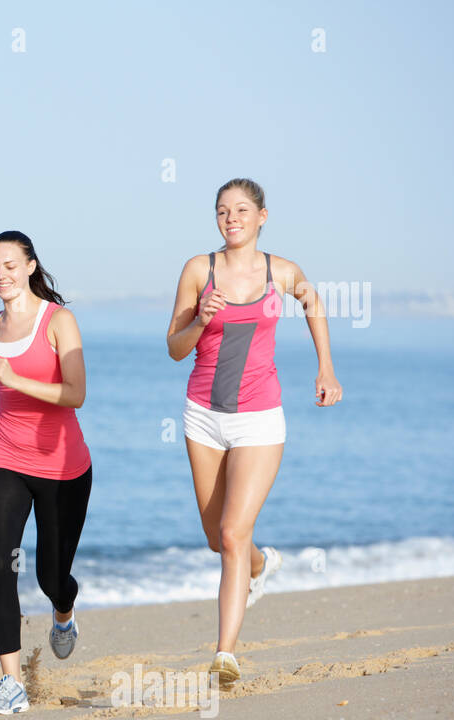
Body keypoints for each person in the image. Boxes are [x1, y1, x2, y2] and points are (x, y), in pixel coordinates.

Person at [165, 178, 342, 685]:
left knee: (231, 532)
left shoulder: (281, 272)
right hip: (203, 415)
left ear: (262, 216)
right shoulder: (199, 270)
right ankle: (260, 567)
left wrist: (325, 368)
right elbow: (175, 348)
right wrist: (200, 320)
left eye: (242, 210)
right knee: (216, 539)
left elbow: (314, 304)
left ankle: (225, 654)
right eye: (223, 211)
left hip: (260, 419)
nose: (232, 218)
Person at [0, 230, 93, 715]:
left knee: (51, 575)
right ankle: (11, 684)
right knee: (0, 565)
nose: (1, 275)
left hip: (63, 466)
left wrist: (17, 377)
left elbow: (75, 393)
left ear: (31, 266)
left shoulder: (59, 322)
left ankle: (64, 611)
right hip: (7, 461)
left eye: (10, 265)